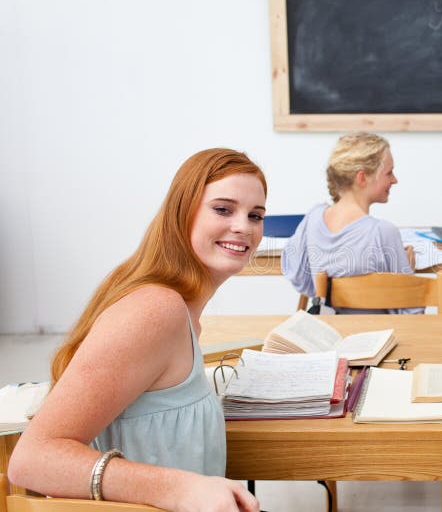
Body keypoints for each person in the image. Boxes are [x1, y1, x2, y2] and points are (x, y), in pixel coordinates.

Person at [8, 149, 265, 512]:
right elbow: (32, 460)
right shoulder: (156, 310)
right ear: (183, 212)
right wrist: (178, 489)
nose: (244, 226)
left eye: (256, 215)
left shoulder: (182, 308)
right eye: (223, 209)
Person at [282, 132, 419, 314]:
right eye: (389, 172)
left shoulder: (313, 218)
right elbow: (411, 310)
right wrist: (406, 269)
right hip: (379, 337)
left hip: (331, 335)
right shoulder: (383, 232)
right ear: (362, 178)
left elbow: (300, 278)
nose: (395, 180)